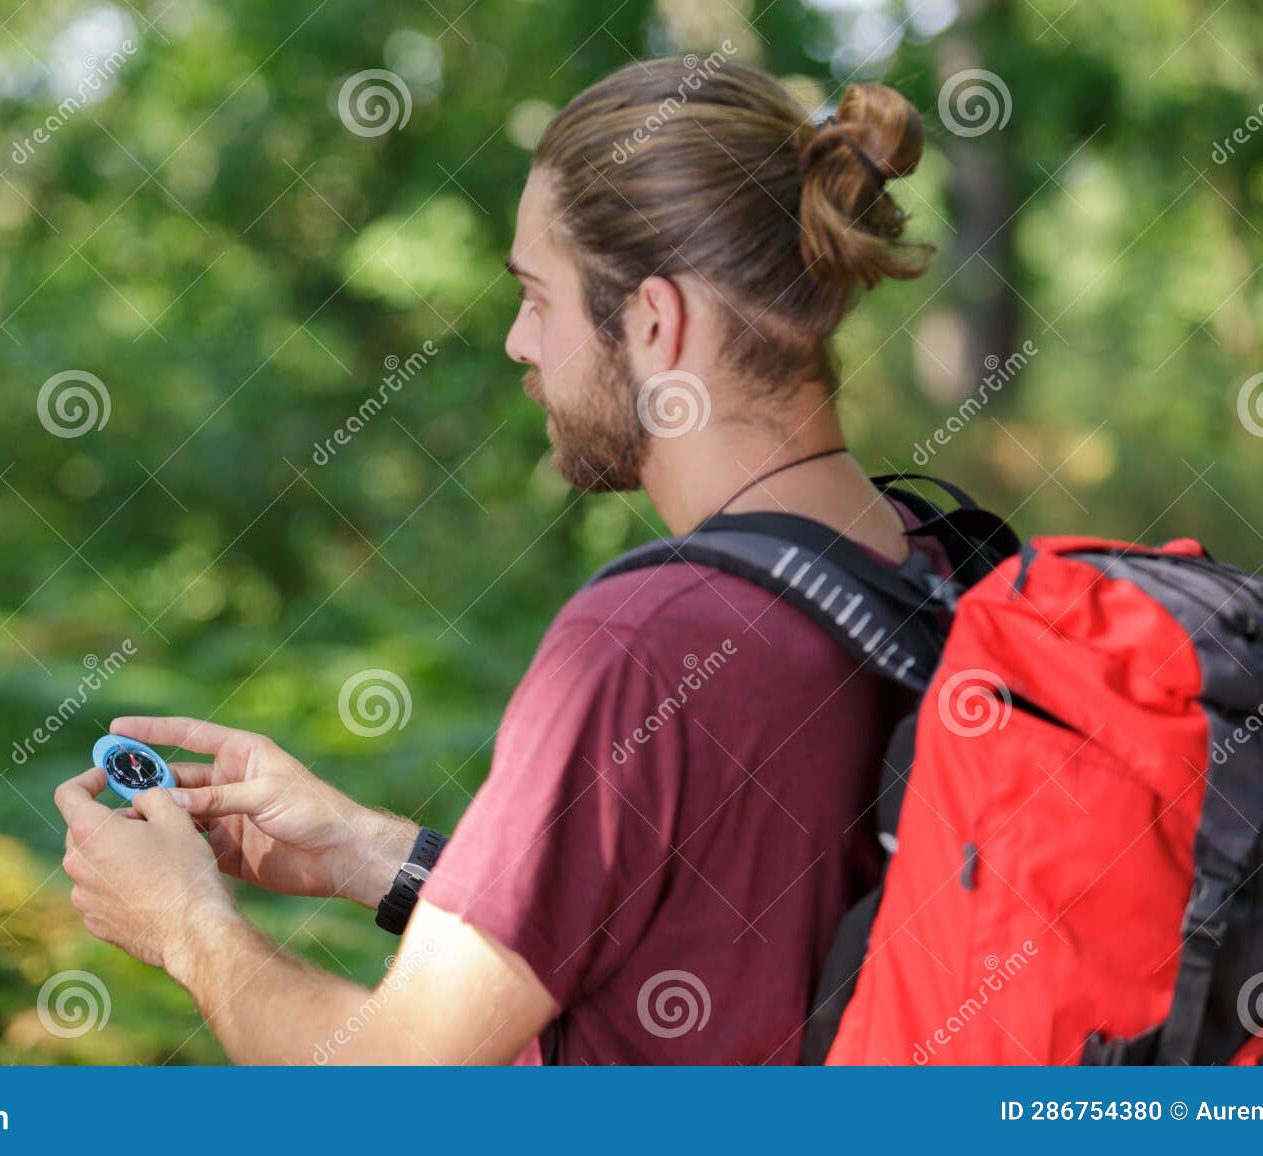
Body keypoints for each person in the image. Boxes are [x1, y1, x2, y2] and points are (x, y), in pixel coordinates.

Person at [56, 56, 943, 1064]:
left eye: (538, 297)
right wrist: (367, 851)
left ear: (655, 322)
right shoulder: (928, 571)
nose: (520, 343)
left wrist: (185, 926)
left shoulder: (648, 644)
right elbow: (698, 931)